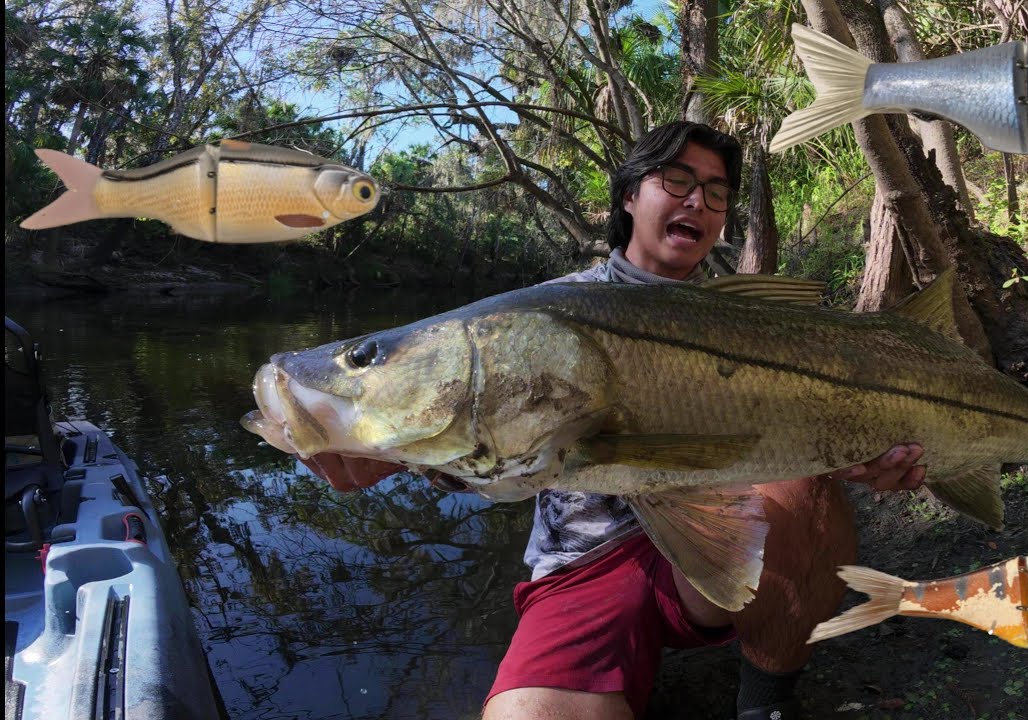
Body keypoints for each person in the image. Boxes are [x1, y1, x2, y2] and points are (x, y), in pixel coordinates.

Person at [301, 121, 926, 720]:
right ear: (629, 196)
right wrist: (405, 456)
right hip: (586, 561)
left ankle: (768, 697)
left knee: (802, 484)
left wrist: (861, 454)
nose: (698, 201)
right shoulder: (541, 315)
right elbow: (499, 451)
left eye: (716, 192)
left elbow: (813, 431)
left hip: (721, 529)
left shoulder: (758, 322)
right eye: (677, 181)